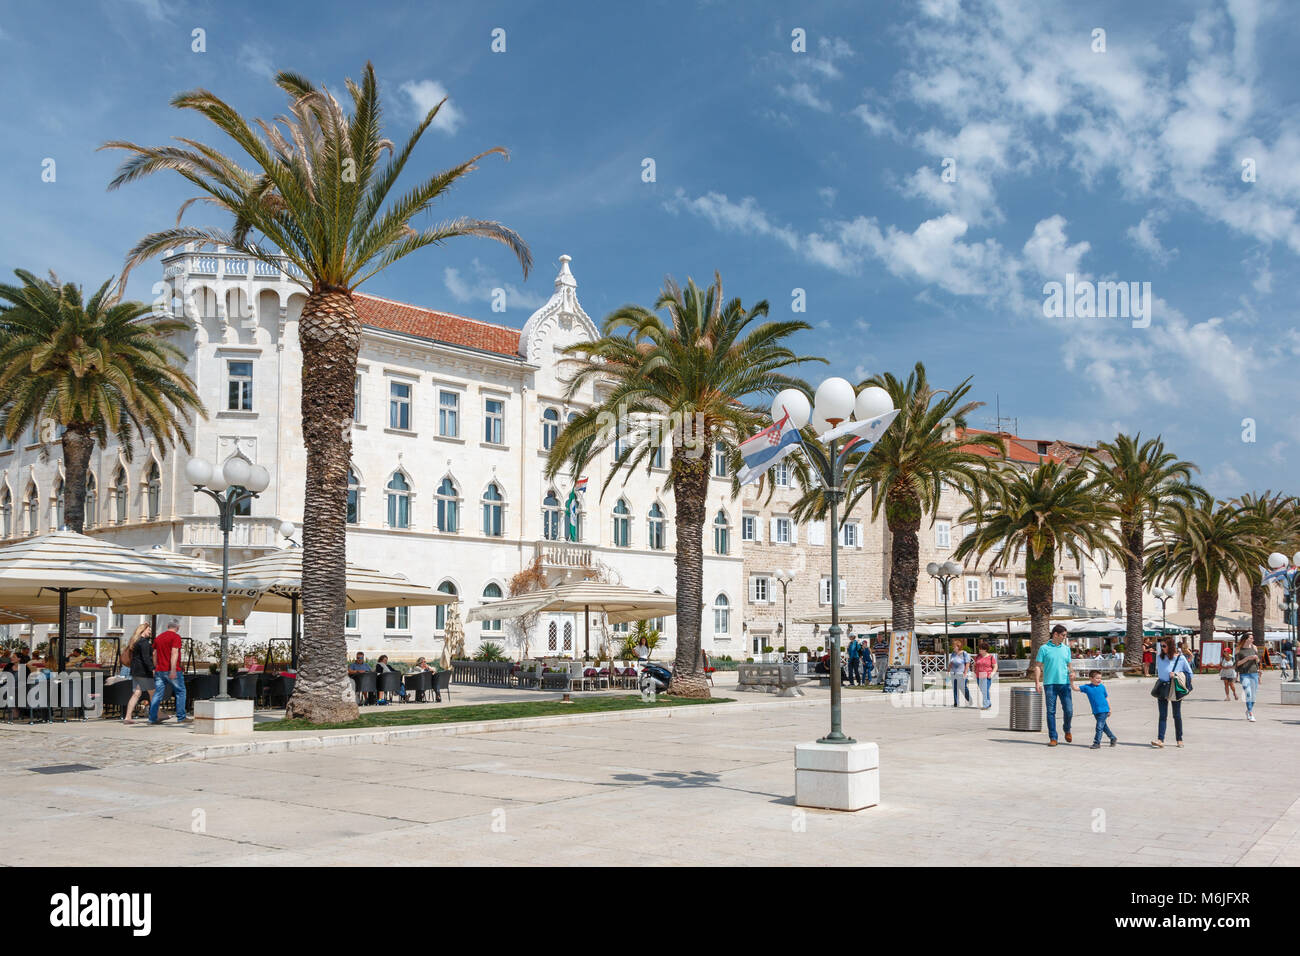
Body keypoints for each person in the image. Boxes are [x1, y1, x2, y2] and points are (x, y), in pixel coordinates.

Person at [1034, 624, 1075, 746]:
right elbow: (1037, 666)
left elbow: (1069, 665)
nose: (1064, 637)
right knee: (1050, 711)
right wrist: (1037, 682)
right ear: (1055, 634)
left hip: (1065, 684)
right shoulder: (1044, 648)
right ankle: (1053, 738)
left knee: (1069, 710)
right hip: (1050, 684)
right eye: (1063, 635)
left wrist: (1072, 673)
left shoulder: (1066, 649)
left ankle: (1067, 729)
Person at [1152, 636, 1192, 748]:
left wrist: (1176, 675)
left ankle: (1179, 739)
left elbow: (1190, 673)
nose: (1162, 648)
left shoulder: (1180, 658)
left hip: (1174, 687)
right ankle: (1160, 739)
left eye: (1164, 646)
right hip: (1162, 687)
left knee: (1176, 715)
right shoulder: (1160, 658)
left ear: (1170, 646)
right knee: (1162, 715)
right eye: (1161, 646)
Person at [148, 619, 187, 725]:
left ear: (167, 626)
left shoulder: (159, 637)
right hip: (171, 670)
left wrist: (155, 667)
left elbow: (154, 653)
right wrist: (173, 669)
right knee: (180, 692)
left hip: (160, 670)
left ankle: (152, 718)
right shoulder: (176, 637)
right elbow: (174, 653)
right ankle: (181, 717)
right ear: (177, 627)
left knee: (157, 694)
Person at [123, 623, 154, 725]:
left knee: (136, 694)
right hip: (144, 671)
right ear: (143, 631)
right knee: (153, 693)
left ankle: (127, 716)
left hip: (135, 671)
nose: (150, 631)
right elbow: (146, 658)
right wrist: (152, 669)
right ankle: (155, 715)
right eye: (148, 629)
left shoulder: (135, 642)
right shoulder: (144, 643)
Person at [1079, 670, 1117, 748]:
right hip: (1096, 711)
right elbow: (1075, 688)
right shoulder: (1087, 687)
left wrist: (1110, 708)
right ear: (1091, 678)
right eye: (1097, 678)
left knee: (1099, 727)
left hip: (1104, 710)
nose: (1099, 680)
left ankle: (1097, 743)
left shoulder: (1102, 687)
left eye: (1100, 678)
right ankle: (1113, 738)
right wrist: (1071, 681)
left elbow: (1106, 697)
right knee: (1104, 727)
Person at [1235, 635, 1261, 722]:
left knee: (1254, 696)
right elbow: (1237, 663)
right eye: (1251, 638)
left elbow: (1258, 661)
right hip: (1244, 674)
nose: (1253, 639)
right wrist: (1247, 658)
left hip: (1254, 673)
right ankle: (1250, 713)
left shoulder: (1254, 647)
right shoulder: (1238, 649)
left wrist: (1256, 658)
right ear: (1246, 639)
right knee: (1248, 693)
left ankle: (1248, 710)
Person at [972, 641, 998, 709]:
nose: (979, 650)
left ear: (985, 650)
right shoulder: (978, 657)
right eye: (979, 649)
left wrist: (992, 674)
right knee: (983, 690)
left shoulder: (991, 657)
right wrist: (973, 672)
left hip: (987, 675)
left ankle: (985, 705)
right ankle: (988, 703)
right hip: (978, 675)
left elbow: (995, 666)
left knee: (985, 690)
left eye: (981, 649)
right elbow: (974, 665)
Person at [948, 640, 973, 707]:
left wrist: (965, 672)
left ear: (958, 646)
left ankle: (969, 699)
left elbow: (967, 663)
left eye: (954, 646)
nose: (953, 647)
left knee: (963, 687)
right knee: (955, 688)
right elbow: (951, 663)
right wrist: (948, 671)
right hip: (954, 673)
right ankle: (956, 702)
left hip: (962, 673)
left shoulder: (964, 653)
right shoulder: (953, 654)